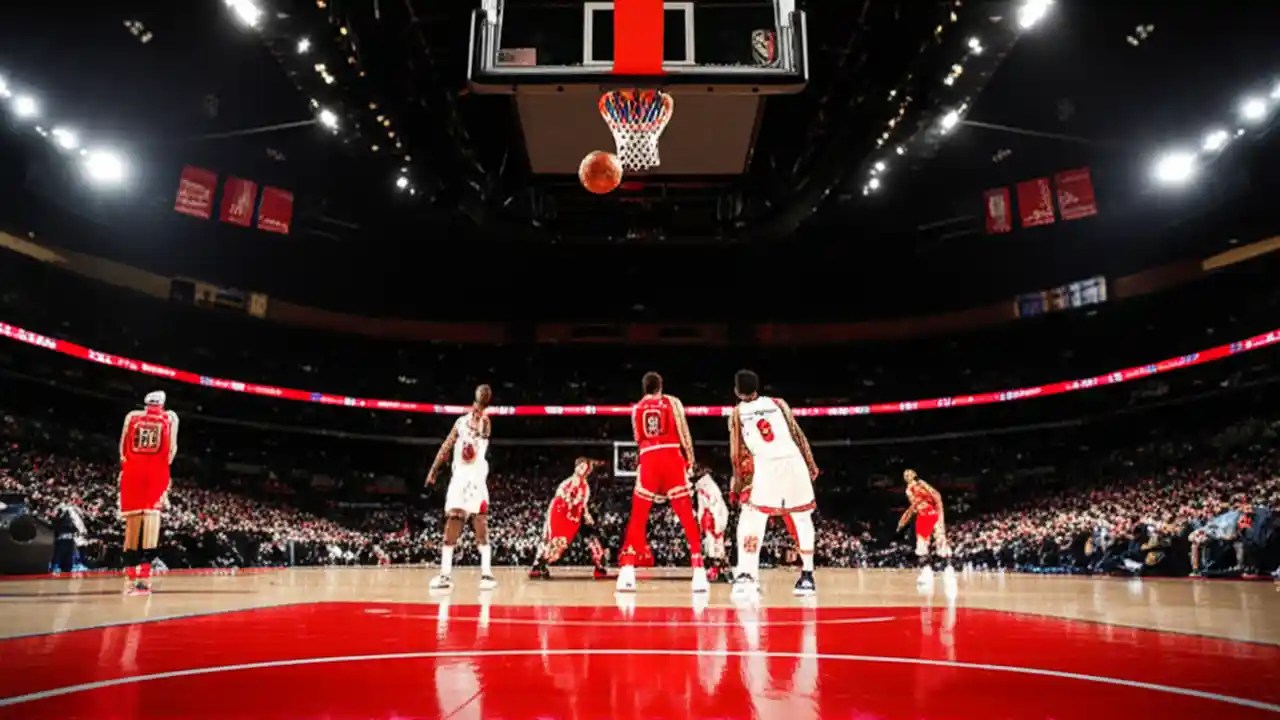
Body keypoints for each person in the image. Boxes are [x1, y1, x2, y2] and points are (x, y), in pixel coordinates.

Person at [729, 369, 819, 598]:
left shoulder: (737, 412)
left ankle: (748, 576)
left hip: (767, 466)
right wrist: (810, 463)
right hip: (794, 462)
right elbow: (798, 434)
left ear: (737, 391)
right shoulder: (778, 403)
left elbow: (736, 452)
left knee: (753, 516)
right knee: (802, 518)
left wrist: (737, 484)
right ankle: (807, 576)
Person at [616, 371, 709, 593]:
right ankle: (698, 572)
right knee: (686, 515)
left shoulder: (637, 408)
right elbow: (684, 431)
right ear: (661, 386)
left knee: (638, 517)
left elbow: (638, 438)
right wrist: (690, 459)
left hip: (648, 458)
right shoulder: (672, 402)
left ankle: (627, 573)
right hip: (671, 457)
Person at [426, 385, 496, 592]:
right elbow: (446, 446)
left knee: (480, 522)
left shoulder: (485, 422)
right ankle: (445, 575)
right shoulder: (460, 422)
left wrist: (481, 418)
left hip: (476, 479)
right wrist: (433, 470)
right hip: (459, 478)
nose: (477, 411)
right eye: (476, 407)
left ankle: (487, 574)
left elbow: (484, 433)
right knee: (453, 521)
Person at [119, 390, 179, 596]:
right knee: (151, 526)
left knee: (131, 528)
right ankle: (144, 579)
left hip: (132, 473)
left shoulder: (131, 417)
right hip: (156, 475)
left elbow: (122, 449)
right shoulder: (169, 418)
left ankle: (129, 578)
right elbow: (171, 451)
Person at [529, 457, 609, 579]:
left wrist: (586, 514)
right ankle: (539, 564)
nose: (583, 470)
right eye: (581, 467)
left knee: (591, 539)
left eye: (585, 468)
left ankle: (600, 565)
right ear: (576, 467)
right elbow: (559, 497)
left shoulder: (586, 486)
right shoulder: (567, 483)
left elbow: (583, 504)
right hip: (561, 513)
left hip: (576, 515)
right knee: (554, 541)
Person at [896, 469, 952, 584]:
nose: (907, 476)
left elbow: (936, 497)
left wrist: (903, 521)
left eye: (909, 474)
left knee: (937, 540)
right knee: (925, 544)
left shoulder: (920, 486)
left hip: (931, 514)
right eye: (905, 475)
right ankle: (929, 571)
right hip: (925, 515)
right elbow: (914, 506)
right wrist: (903, 520)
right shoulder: (911, 490)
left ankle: (945, 568)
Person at [694, 465, 731, 582]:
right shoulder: (704, 488)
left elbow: (717, 507)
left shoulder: (709, 489)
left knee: (716, 547)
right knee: (712, 547)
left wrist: (716, 523)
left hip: (714, 521)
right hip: (710, 521)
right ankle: (716, 570)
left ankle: (720, 570)